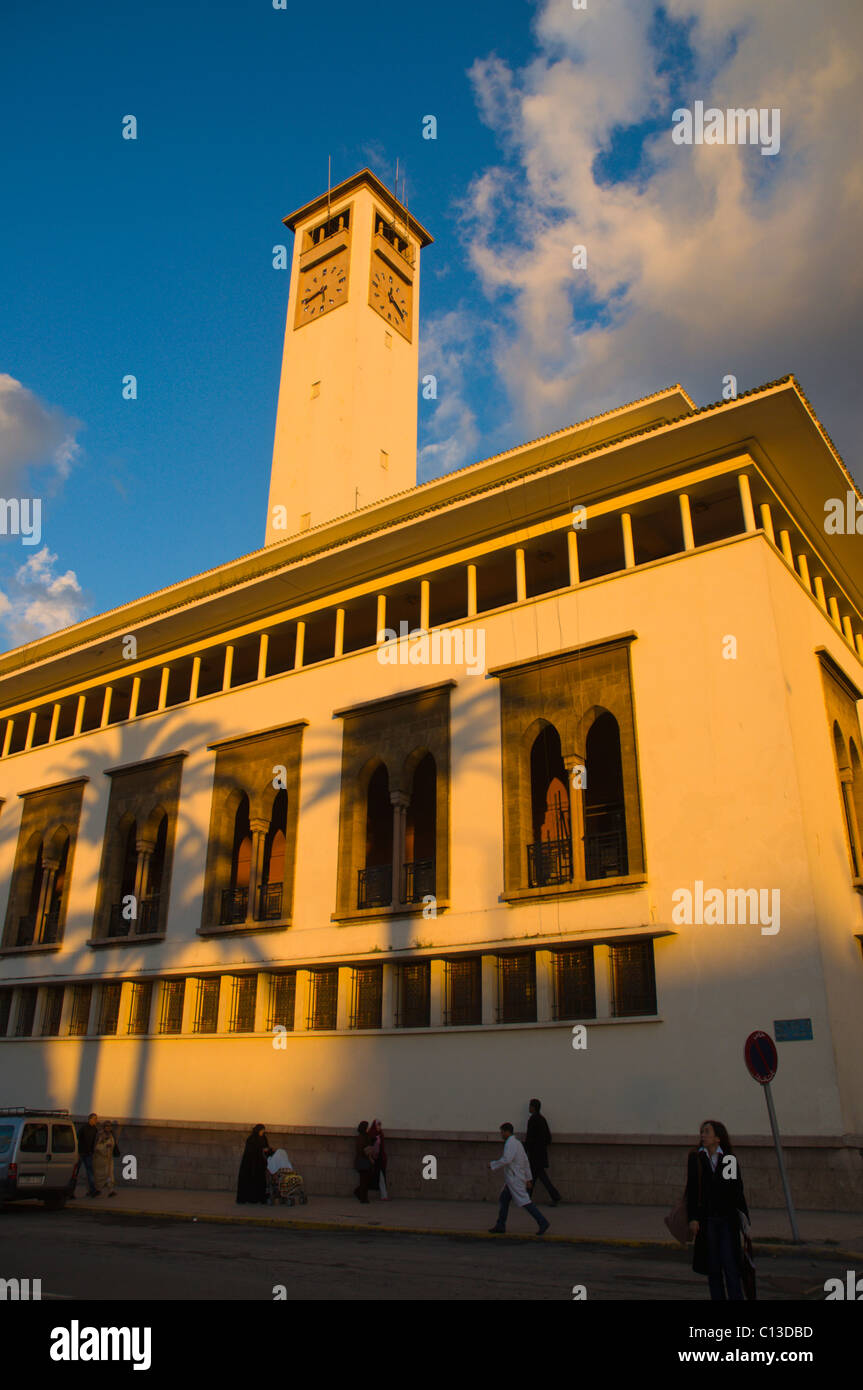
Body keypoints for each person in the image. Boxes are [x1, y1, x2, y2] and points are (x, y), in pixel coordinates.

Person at [686, 1119, 749, 1300]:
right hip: (707, 1221)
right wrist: (693, 1218)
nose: (703, 1136)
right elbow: (692, 1190)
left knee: (730, 1266)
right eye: (702, 1132)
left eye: (707, 1132)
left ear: (718, 1138)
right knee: (713, 1267)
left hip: (727, 1220)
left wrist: (744, 1222)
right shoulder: (697, 1158)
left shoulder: (728, 1159)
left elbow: (735, 1190)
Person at [488, 1122, 550, 1235]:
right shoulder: (517, 1143)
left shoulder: (510, 1144)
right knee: (504, 1199)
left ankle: (543, 1222)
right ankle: (500, 1224)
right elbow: (525, 1161)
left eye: (502, 1132)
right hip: (514, 1179)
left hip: (514, 1179)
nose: (501, 1134)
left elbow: (507, 1159)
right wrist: (528, 1178)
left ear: (507, 1132)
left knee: (525, 1201)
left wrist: (492, 1164)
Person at [524, 1098, 561, 1206]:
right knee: (536, 1176)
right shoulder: (542, 1119)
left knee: (537, 1176)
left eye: (530, 1106)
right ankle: (527, 1198)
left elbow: (529, 1138)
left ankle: (554, 1196)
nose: (529, 1108)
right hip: (540, 1154)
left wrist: (526, 1150)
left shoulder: (533, 1120)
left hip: (535, 1155)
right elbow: (548, 1138)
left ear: (533, 1107)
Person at [236, 1123, 271, 1204]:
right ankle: (251, 1198)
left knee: (261, 1181)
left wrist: (268, 1150)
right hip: (251, 1165)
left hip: (260, 1164)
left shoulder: (264, 1138)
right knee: (251, 1181)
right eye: (261, 1130)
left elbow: (266, 1147)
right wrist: (261, 1150)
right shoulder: (251, 1139)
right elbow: (250, 1152)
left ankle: (261, 1198)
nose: (263, 1132)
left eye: (263, 1131)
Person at [75, 1112, 99, 1197]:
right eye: (95, 1119)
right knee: (75, 1172)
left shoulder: (95, 1129)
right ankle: (70, 1192)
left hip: (89, 1153)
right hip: (81, 1153)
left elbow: (95, 1141)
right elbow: (77, 1139)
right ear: (90, 1119)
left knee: (90, 1172)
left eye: (96, 1119)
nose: (96, 1121)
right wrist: (77, 1152)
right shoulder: (83, 1128)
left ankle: (92, 1190)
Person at [93, 1120, 119, 1197]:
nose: (108, 1128)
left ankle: (111, 1190)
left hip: (109, 1158)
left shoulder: (111, 1135)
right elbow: (97, 1147)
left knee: (110, 1175)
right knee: (100, 1175)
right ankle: (98, 1190)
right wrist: (105, 1146)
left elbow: (113, 1144)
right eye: (107, 1126)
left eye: (110, 1126)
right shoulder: (100, 1135)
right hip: (101, 1159)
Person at [353, 1120, 374, 1203]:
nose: (368, 1128)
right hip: (363, 1161)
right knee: (363, 1180)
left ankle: (360, 1194)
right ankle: (363, 1198)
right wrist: (370, 1158)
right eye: (367, 1127)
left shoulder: (366, 1136)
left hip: (365, 1161)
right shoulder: (361, 1137)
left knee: (366, 1180)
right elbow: (362, 1150)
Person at [368, 1117, 389, 1200]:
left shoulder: (381, 1134)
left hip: (379, 1159)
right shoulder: (371, 1135)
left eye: (380, 1125)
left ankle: (384, 1196)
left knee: (381, 1177)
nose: (379, 1127)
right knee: (371, 1176)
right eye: (378, 1125)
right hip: (373, 1159)